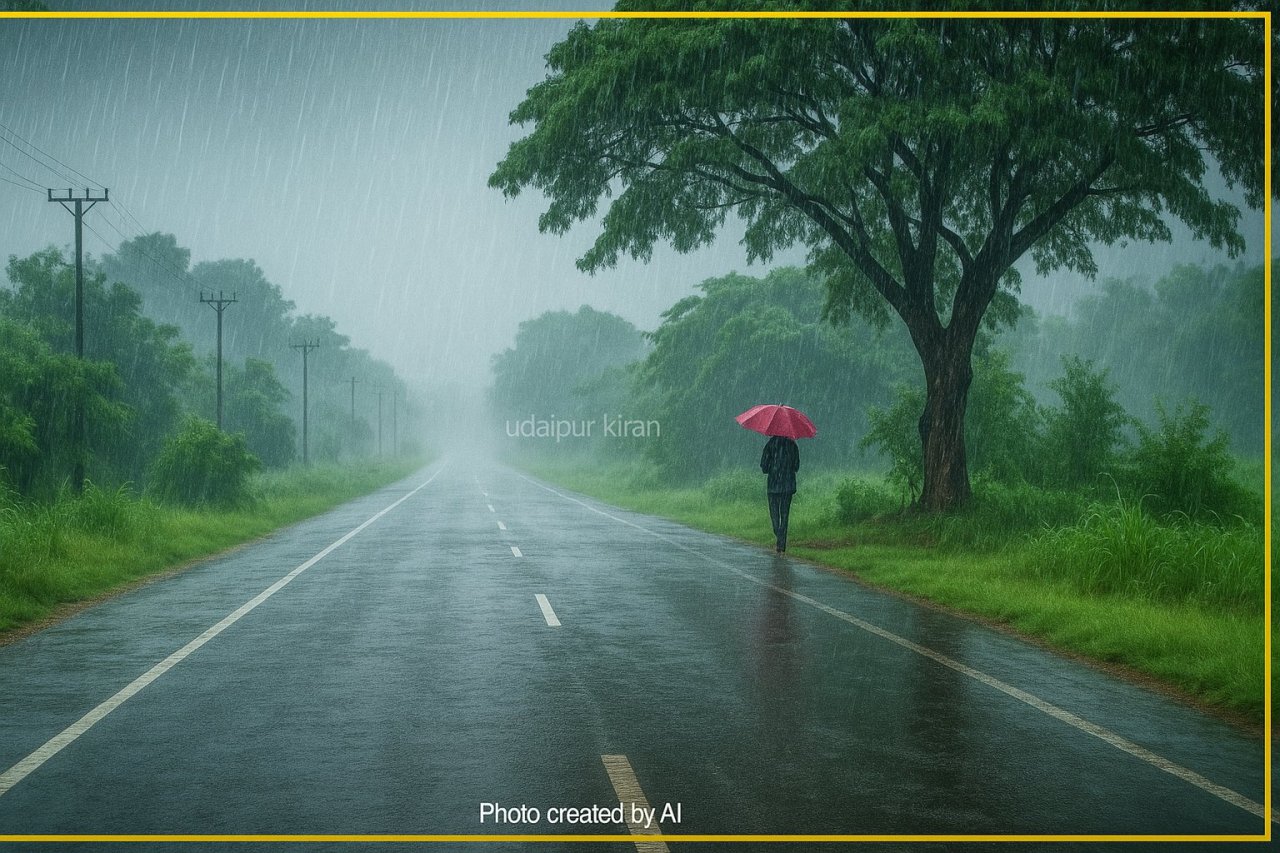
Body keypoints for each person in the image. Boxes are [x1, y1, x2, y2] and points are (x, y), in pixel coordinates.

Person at [760, 434, 799, 553]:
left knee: (774, 514)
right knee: (785, 514)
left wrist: (774, 467)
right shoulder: (792, 445)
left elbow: (764, 468)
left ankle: (778, 533)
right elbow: (796, 466)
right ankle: (781, 544)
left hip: (773, 486)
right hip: (788, 485)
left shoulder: (770, 445)